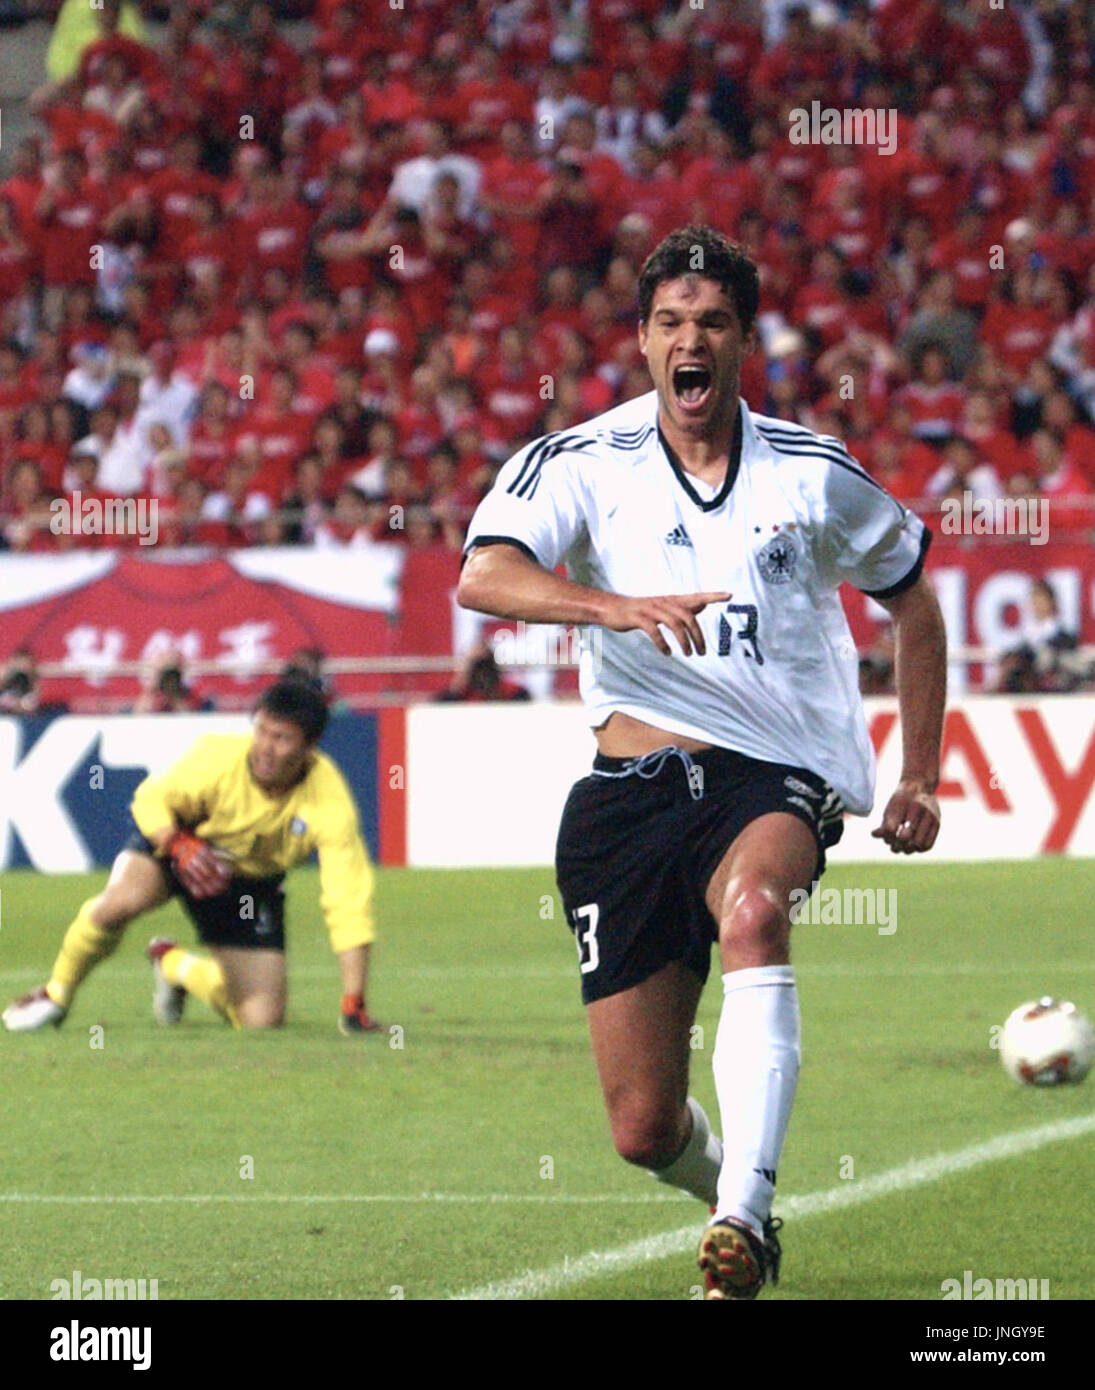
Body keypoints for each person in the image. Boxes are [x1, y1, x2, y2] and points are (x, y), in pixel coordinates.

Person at [457, 225, 946, 1300]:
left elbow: (914, 596)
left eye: (713, 321)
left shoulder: (812, 475)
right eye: (671, 321)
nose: (693, 339)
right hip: (625, 798)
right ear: (642, 341)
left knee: (757, 912)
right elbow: (484, 576)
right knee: (641, 1127)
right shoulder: (580, 462)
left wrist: (920, 772)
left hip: (765, 773)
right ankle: (734, 1200)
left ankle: (745, 1214)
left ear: (742, 341)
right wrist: (607, 605)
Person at [3, 680, 382, 1036]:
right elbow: (150, 799)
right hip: (176, 848)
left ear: (310, 746)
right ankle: (56, 994)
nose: (265, 747)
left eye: (281, 738)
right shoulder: (216, 758)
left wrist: (353, 1001)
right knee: (119, 903)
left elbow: (346, 899)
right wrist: (177, 843)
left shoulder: (329, 803)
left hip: (248, 889)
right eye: (262, 731)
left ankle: (173, 965)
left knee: (260, 1021)